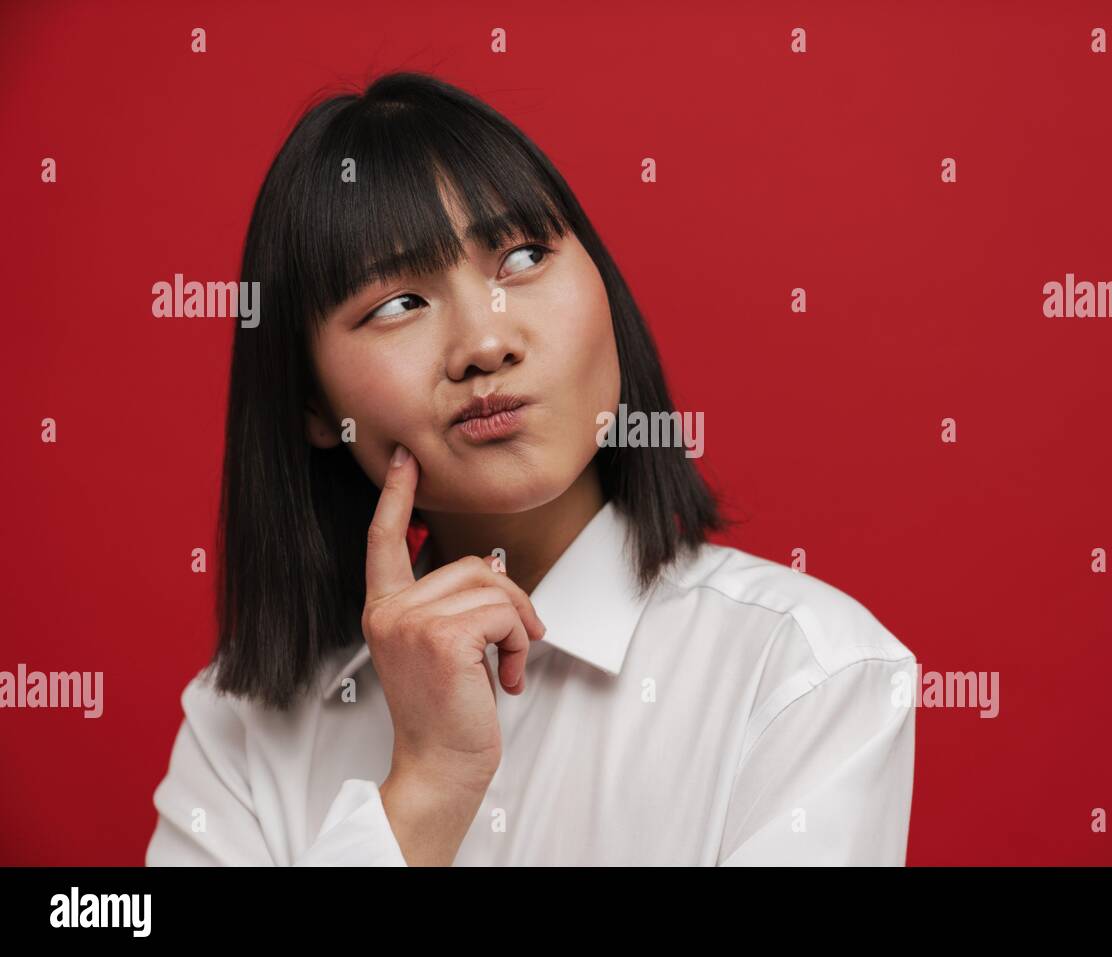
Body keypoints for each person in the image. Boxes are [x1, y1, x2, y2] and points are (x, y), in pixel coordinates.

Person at [144, 71, 917, 866]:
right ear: (311, 400)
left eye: (521, 256)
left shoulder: (807, 672)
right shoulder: (242, 729)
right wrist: (428, 788)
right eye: (398, 304)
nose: (486, 342)